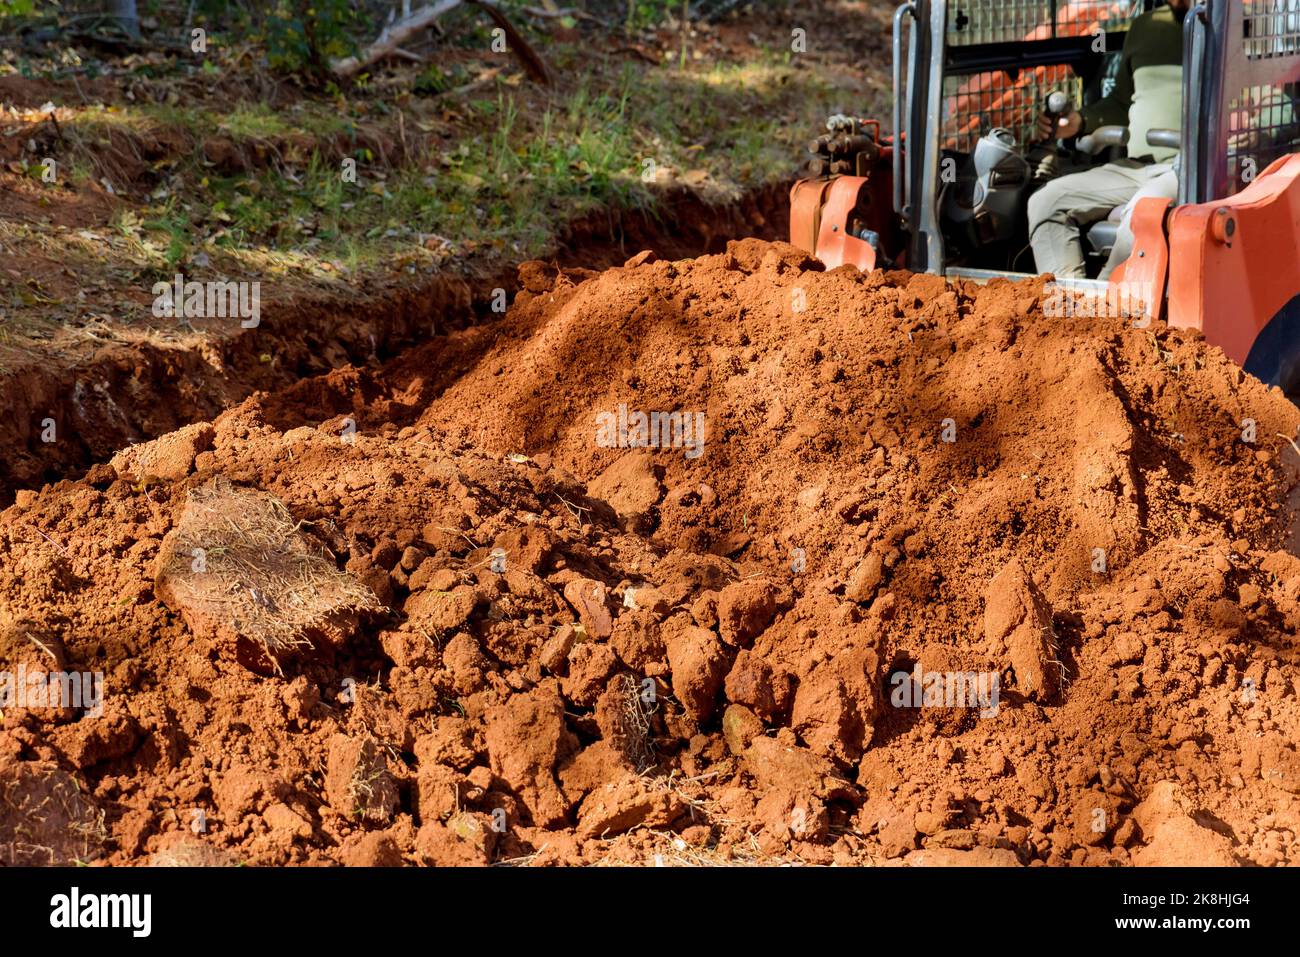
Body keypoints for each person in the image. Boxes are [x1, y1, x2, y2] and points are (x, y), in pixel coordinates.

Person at [1028, 0, 1190, 280]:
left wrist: (1243, 127)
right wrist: (1080, 121)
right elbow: (1120, 102)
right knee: (1046, 201)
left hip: (1194, 169)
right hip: (1137, 166)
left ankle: (1104, 311)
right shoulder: (1146, 26)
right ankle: (1066, 307)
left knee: (1141, 213)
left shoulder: (1239, 27)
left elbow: (1277, 105)